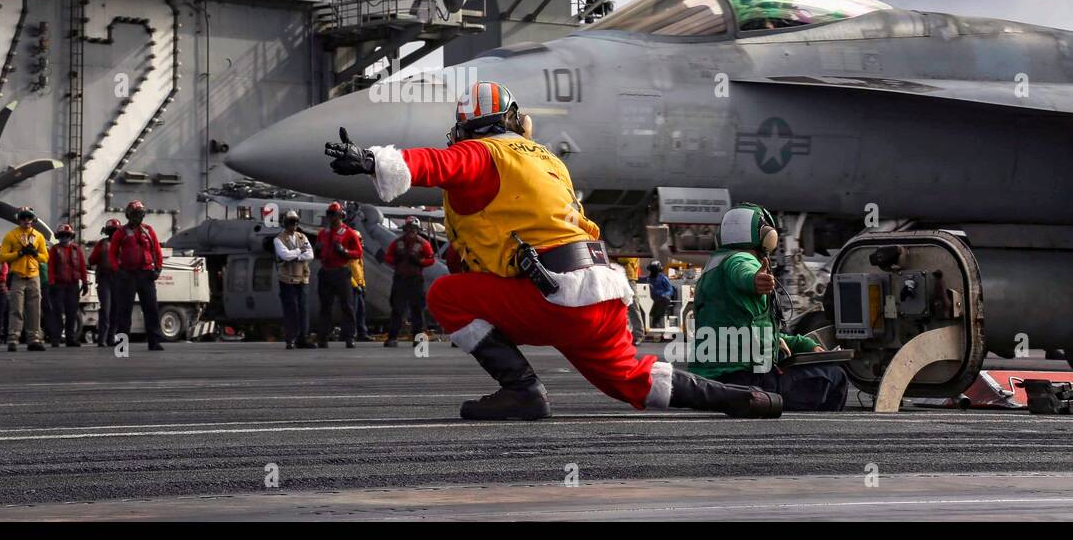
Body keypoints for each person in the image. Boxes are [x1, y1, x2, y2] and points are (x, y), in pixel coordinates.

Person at [326, 80, 783, 420]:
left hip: (551, 296)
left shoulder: (484, 153)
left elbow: (437, 162)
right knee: (633, 381)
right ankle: (745, 399)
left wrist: (373, 160)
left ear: (468, 128)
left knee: (446, 296)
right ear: (515, 120)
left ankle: (523, 391)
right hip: (600, 296)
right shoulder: (547, 159)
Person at [689, 204, 848, 412]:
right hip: (745, 380)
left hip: (711, 380)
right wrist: (756, 280)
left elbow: (754, 328)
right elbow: (742, 271)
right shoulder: (741, 258)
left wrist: (804, 345)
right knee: (835, 376)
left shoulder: (715, 264)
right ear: (765, 235)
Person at [108, 200, 165, 351]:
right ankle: (122, 345)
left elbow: (157, 251)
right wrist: (117, 270)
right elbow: (112, 253)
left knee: (151, 309)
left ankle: (154, 342)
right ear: (129, 215)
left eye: (139, 214)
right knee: (124, 311)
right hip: (127, 275)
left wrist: (158, 269)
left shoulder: (148, 230)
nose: (137, 217)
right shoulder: (120, 232)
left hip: (146, 274)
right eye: (135, 214)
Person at [0, 206, 48, 352]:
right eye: (24, 218)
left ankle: (34, 339)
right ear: (19, 219)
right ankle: (13, 338)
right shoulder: (11, 236)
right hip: (18, 276)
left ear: (33, 220)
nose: (26, 220)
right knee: (17, 309)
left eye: (29, 217)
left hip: (33, 276)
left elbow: (45, 257)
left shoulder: (38, 236)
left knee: (34, 309)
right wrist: (19, 253)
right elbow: (2, 257)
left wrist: (34, 254)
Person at [313, 202, 362, 349]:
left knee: (347, 306)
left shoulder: (349, 233)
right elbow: (317, 255)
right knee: (325, 307)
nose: (331, 218)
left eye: (334, 214)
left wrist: (345, 252)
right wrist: (318, 251)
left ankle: (350, 337)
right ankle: (323, 337)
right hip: (326, 272)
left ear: (341, 215)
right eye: (329, 214)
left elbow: (359, 253)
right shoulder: (323, 233)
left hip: (341, 271)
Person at [383, 216, 435, 347]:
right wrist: (395, 260)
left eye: (413, 229)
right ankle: (392, 337)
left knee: (417, 310)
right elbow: (388, 256)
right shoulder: (397, 243)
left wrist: (419, 262)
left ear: (417, 230)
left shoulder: (423, 244)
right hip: (400, 280)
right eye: (409, 229)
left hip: (415, 281)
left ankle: (418, 338)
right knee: (397, 309)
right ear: (405, 229)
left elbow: (431, 259)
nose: (411, 231)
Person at [273, 210, 314, 349]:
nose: (294, 224)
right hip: (287, 280)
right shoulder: (278, 239)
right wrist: (299, 252)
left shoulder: (302, 237)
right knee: (291, 309)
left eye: (296, 221)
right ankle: (290, 338)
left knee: (304, 308)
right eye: (291, 222)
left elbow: (310, 254)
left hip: (302, 279)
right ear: (285, 223)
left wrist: (297, 255)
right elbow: (285, 256)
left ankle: (303, 337)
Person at [48, 223, 88, 347]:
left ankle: (70, 338)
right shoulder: (54, 250)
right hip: (58, 286)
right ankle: (56, 338)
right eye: (62, 235)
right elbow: (50, 267)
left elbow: (82, 267)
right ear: (58, 237)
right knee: (57, 312)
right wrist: (51, 283)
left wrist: (85, 283)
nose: (64, 238)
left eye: (67, 235)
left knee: (72, 313)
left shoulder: (77, 250)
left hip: (73, 286)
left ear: (71, 236)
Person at [89, 219, 121, 347]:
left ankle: (110, 338)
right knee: (106, 309)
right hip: (105, 279)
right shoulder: (102, 244)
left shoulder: (123, 244)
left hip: (118, 279)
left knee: (115, 310)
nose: (113, 233)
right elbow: (92, 260)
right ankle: (102, 339)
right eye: (112, 231)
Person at [348, 228, 372, 342]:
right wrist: (355, 285)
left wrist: (363, 285)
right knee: (352, 311)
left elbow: (361, 272)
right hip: (352, 287)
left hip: (360, 286)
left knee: (361, 311)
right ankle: (351, 333)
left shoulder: (358, 256)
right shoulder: (348, 255)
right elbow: (347, 272)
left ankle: (362, 333)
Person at [618, 256, 645, 345]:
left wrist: (612, 258)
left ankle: (638, 335)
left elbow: (625, 259)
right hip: (617, 276)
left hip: (629, 278)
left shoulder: (631, 248)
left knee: (633, 307)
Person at [647, 261, 676, 332]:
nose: (653, 272)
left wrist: (663, 295)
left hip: (661, 298)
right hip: (650, 299)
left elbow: (670, 290)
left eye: (655, 270)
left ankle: (656, 321)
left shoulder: (663, 278)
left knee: (664, 300)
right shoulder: (648, 279)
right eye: (652, 270)